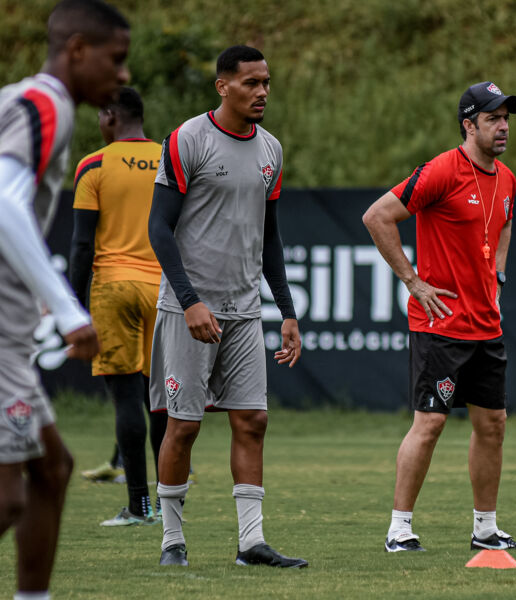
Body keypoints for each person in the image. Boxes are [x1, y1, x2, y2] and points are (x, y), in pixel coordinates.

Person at [147, 44, 306, 569]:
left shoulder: (272, 150)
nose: (262, 92)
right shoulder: (187, 139)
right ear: (223, 86)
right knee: (184, 425)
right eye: (250, 83)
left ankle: (251, 544)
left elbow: (271, 239)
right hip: (188, 311)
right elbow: (158, 229)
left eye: (266, 83)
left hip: (243, 312)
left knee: (253, 420)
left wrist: (285, 311)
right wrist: (189, 301)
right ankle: (172, 541)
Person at [362, 81, 516, 553]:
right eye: (493, 118)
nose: (503, 127)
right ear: (469, 124)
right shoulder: (441, 170)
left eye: (506, 118)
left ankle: (485, 529)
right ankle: (399, 529)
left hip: (486, 326)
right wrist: (412, 282)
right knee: (430, 423)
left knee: (494, 423)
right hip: (440, 325)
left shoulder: (508, 179)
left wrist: (498, 269)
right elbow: (377, 216)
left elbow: (507, 219)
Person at [0, 1, 129, 598]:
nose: (123, 75)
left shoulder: (25, 102)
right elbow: (3, 204)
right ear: (77, 49)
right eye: (116, 58)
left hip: (11, 336)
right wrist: (72, 311)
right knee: (7, 497)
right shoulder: (46, 102)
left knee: (51, 469)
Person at [69, 86, 169, 525]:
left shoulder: (94, 164)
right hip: (165, 289)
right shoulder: (172, 158)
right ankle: (169, 503)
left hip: (114, 288)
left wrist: (71, 306)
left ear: (110, 116)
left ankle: (138, 506)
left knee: (127, 399)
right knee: (163, 402)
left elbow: (81, 244)